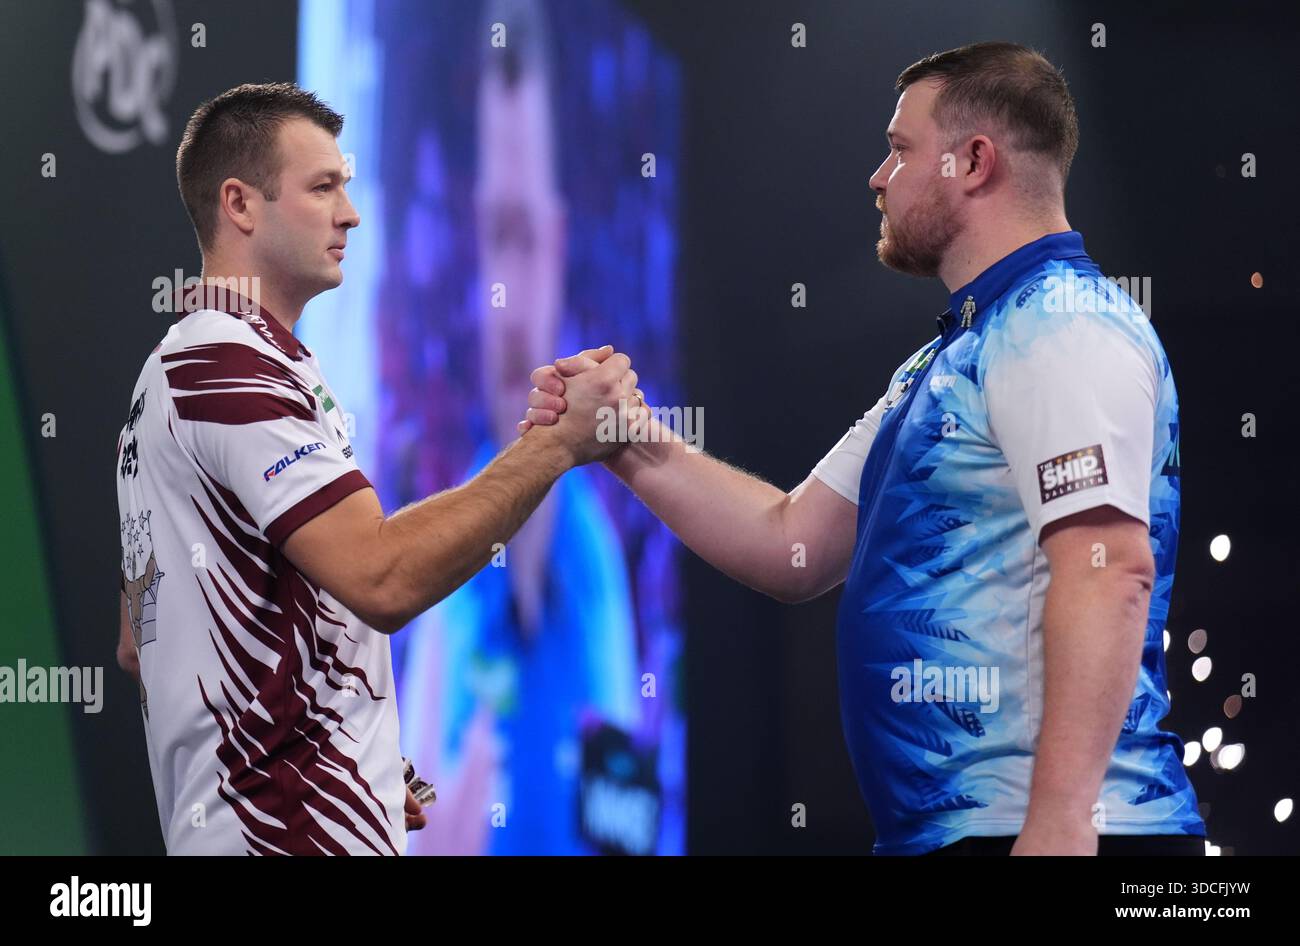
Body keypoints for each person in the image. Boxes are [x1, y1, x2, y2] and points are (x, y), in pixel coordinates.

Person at [522, 42, 1205, 856]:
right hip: (965, 835)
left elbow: (1110, 566)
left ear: (973, 162)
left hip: (1062, 834)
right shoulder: (951, 358)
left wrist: (1059, 826)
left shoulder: (1059, 323)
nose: (878, 178)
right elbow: (790, 544)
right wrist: (623, 439)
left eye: (900, 148)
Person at [114, 81, 638, 854]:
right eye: (323, 187)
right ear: (240, 204)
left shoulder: (188, 373)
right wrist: (557, 442)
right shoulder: (227, 366)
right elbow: (384, 578)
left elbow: (139, 642)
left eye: (348, 187)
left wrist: (345, 757)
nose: (349, 212)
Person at [400, 0, 641, 855]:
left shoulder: (599, 574)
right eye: (490, 237)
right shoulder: (427, 566)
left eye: (524, 239)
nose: (507, 301)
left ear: (558, 249)